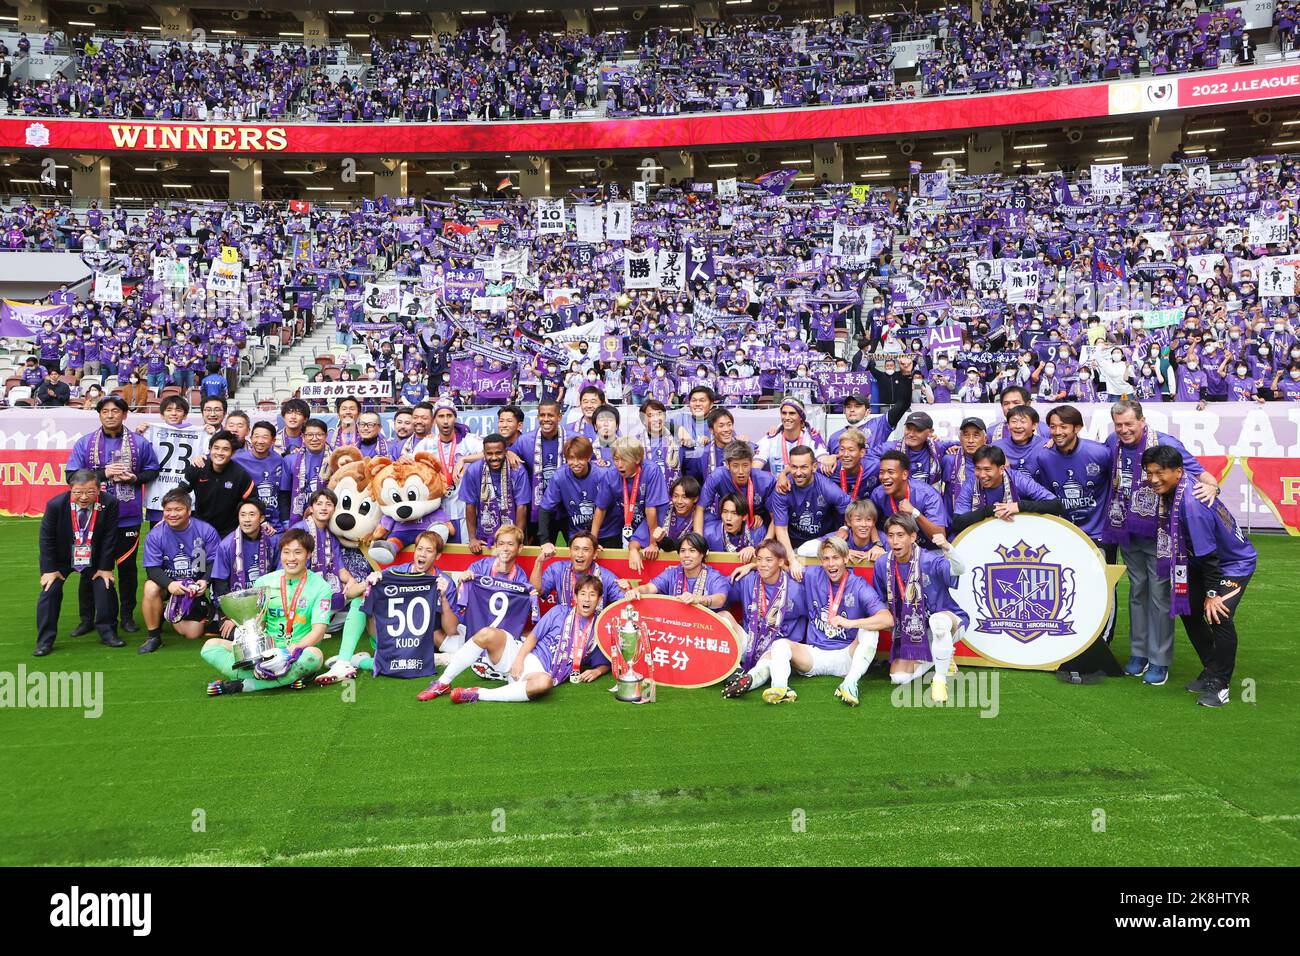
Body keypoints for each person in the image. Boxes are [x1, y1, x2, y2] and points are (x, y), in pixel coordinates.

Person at [1103, 399, 1219, 687]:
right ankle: (1138, 653)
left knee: (1159, 598)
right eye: (1119, 425)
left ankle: (1159, 659)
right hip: (1128, 532)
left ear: (1142, 421)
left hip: (1162, 535)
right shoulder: (1111, 443)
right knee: (1136, 594)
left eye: (1129, 424)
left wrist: (1212, 484)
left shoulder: (1166, 443)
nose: (1124, 430)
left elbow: (1201, 473)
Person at [1142, 445, 1257, 708]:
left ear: (1178, 472)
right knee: (1189, 609)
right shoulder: (1175, 488)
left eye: (1160, 473)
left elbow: (1210, 556)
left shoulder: (1192, 504)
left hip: (1231, 563)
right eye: (1149, 473)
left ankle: (1220, 684)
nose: (1154, 479)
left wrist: (1213, 593)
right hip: (1197, 560)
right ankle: (1211, 669)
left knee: (1218, 615)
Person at [729, 536, 893, 706]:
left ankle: (850, 684)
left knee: (869, 631)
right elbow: (781, 567)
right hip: (814, 656)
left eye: (836, 558)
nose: (831, 564)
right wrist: (754, 565)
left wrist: (851, 623)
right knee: (780, 645)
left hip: (846, 656)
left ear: (846, 558)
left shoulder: (858, 586)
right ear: (821, 561)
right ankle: (780, 689)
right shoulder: (812, 575)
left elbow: (887, 619)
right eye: (826, 559)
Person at [433, 574, 612, 705]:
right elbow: (533, 636)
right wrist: (518, 660)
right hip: (521, 653)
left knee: (545, 684)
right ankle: (443, 682)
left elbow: (605, 659)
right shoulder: (559, 611)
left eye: (592, 595)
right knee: (487, 633)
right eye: (583, 593)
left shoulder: (597, 628)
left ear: (599, 599)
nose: (587, 599)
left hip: (540, 673)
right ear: (575, 596)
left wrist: (598, 671)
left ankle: (478, 693)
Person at [65, 396, 161, 633]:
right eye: (105, 411)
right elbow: (71, 476)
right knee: (88, 567)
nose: (110, 415)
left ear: (125, 415)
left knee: (127, 569)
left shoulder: (139, 443)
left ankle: (127, 616)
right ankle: (87, 618)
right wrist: (102, 473)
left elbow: (153, 470)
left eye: (115, 411)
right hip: (92, 517)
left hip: (128, 516)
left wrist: (135, 477)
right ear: (99, 415)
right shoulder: (85, 443)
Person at [320, 530, 461, 684]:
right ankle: (343, 661)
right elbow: (350, 593)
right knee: (362, 597)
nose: (422, 554)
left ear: (437, 556)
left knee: (401, 662)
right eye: (419, 549)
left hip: (421, 643)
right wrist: (368, 582)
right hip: (390, 636)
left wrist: (444, 597)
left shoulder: (443, 581)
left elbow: (451, 630)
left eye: (429, 551)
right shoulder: (396, 573)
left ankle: (359, 662)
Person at [417, 525, 539, 701]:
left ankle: (453, 661)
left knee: (528, 639)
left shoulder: (521, 579)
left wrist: (531, 596)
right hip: (471, 631)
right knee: (437, 635)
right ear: (495, 546)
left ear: (519, 548)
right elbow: (462, 602)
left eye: (510, 544)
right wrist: (463, 581)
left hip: (499, 639)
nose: (505, 548)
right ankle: (454, 663)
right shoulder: (480, 567)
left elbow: (521, 616)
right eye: (501, 543)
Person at [203, 528, 331, 696]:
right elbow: (259, 622)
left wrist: (288, 651)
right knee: (210, 647)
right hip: (265, 653)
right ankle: (288, 679)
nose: (291, 558)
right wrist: (247, 637)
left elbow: (318, 631)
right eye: (286, 552)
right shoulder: (264, 582)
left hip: (297, 653)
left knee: (315, 656)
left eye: (298, 552)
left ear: (308, 555)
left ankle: (246, 685)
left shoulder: (321, 587)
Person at [872, 514, 968, 703]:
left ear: (913, 537)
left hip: (949, 621)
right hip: (911, 632)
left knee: (938, 623)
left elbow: (959, 569)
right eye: (891, 536)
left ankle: (939, 680)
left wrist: (948, 548)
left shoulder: (929, 560)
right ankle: (942, 656)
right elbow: (880, 600)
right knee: (898, 678)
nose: (895, 541)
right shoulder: (882, 564)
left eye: (900, 535)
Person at [34, 469, 124, 656]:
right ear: (70, 490)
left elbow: (110, 537)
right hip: (62, 559)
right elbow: (46, 538)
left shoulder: (110, 503)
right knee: (50, 591)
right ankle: (44, 641)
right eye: (78, 492)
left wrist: (106, 567)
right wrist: (49, 569)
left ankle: (108, 633)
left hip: (94, 558)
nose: (83, 497)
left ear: (99, 490)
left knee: (105, 586)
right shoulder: (56, 505)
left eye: (90, 492)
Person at [138, 489, 223, 653]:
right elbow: (152, 569)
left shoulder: (206, 530)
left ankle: (166, 611)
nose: (172, 514)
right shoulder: (156, 534)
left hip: (193, 588)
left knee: (193, 633)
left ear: (189, 510)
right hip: (168, 585)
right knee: (150, 588)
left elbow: (215, 561)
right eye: (168, 510)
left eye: (178, 509)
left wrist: (205, 580)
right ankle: (153, 636)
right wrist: (170, 585)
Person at [722, 540, 807, 699]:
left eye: (768, 560)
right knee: (724, 617)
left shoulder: (795, 589)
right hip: (749, 643)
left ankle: (748, 681)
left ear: (781, 561)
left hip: (775, 646)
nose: (762, 564)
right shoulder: (748, 579)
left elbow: (812, 614)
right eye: (759, 559)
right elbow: (722, 592)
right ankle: (735, 670)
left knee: (775, 654)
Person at [591, 436, 670, 572]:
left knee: (634, 545)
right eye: (616, 460)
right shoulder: (611, 475)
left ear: (637, 459)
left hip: (654, 515)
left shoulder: (652, 471)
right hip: (629, 516)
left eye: (624, 460)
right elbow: (601, 508)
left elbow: (651, 510)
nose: (619, 464)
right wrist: (592, 540)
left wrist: (653, 543)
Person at [769, 445, 853, 564]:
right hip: (793, 544)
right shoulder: (782, 488)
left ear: (813, 467)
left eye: (803, 467)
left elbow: (853, 511)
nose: (798, 473)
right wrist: (792, 561)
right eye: (794, 467)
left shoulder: (827, 488)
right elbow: (781, 529)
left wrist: (845, 527)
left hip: (823, 543)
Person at [950, 445, 1060, 534]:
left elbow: (1056, 505)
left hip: (1021, 533)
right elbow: (957, 522)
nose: (982, 475)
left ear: (1001, 469)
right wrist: (990, 511)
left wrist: (1019, 506)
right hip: (984, 537)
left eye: (987, 469)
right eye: (978, 469)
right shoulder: (971, 484)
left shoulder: (1018, 479)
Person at [462, 432, 532, 552]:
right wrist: (472, 538)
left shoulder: (517, 470)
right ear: (483, 454)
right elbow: (470, 505)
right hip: (484, 534)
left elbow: (522, 506)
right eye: (489, 454)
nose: (494, 457)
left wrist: (516, 538)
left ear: (506, 452)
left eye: (498, 453)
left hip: (512, 530)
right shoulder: (473, 471)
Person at [623, 532, 730, 609]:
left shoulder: (714, 576)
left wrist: (698, 599)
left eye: (692, 551)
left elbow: (720, 599)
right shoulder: (672, 573)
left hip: (704, 628)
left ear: (703, 553)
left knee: (725, 616)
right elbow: (649, 588)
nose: (686, 555)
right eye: (683, 551)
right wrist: (636, 591)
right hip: (677, 627)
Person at [537, 436, 611, 547]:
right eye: (571, 458)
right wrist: (545, 541)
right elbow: (545, 508)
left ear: (589, 457)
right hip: (577, 534)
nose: (575, 463)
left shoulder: (603, 475)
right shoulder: (560, 476)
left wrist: (594, 540)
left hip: (606, 533)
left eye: (580, 458)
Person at [181, 430, 253, 537]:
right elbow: (179, 493)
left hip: (229, 531)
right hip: (200, 528)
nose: (219, 452)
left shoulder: (240, 475)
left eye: (225, 449)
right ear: (210, 449)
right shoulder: (198, 467)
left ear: (232, 453)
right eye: (216, 448)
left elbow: (252, 501)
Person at [870, 450, 949, 543]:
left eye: (890, 472)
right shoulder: (878, 494)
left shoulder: (928, 495)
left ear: (904, 474)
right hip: (894, 547)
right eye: (881, 472)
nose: (884, 477)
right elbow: (869, 523)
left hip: (928, 550)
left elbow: (940, 536)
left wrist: (915, 513)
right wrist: (877, 543)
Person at [532, 531, 624, 608]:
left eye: (586, 549)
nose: (580, 554)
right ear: (570, 552)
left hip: (592, 626)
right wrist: (539, 562)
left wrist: (626, 592)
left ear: (595, 554)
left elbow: (623, 603)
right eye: (576, 549)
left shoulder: (606, 577)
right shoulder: (557, 569)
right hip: (563, 624)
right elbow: (536, 592)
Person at [516, 399, 564, 541]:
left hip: (566, 508)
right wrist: (509, 453)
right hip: (539, 508)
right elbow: (505, 455)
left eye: (550, 415)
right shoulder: (525, 441)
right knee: (539, 551)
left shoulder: (572, 438)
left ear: (559, 417)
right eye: (542, 415)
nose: (546, 419)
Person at [211, 499, 280, 596]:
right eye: (242, 515)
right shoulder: (226, 545)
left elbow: (280, 572)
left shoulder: (273, 541)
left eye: (252, 515)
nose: (247, 519)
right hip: (238, 602)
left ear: (261, 518)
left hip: (268, 599)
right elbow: (220, 582)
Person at [233, 420, 290, 531]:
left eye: (265, 437)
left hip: (275, 524)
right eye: (256, 436)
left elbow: (283, 494)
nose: (260, 441)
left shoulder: (279, 459)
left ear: (273, 441)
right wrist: (201, 458)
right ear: (251, 437)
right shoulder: (237, 459)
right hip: (249, 522)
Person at [754, 397, 828, 476]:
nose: (787, 417)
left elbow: (825, 461)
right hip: (777, 486)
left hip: (803, 486)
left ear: (801, 417)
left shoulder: (812, 439)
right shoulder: (771, 438)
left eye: (792, 413)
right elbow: (755, 467)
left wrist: (832, 457)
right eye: (784, 413)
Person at [281, 418, 331, 525]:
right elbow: (284, 493)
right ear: (303, 437)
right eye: (310, 435)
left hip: (328, 517)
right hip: (299, 518)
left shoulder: (334, 459)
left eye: (319, 434)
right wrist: (286, 521)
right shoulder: (290, 460)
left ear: (326, 436)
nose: (315, 439)